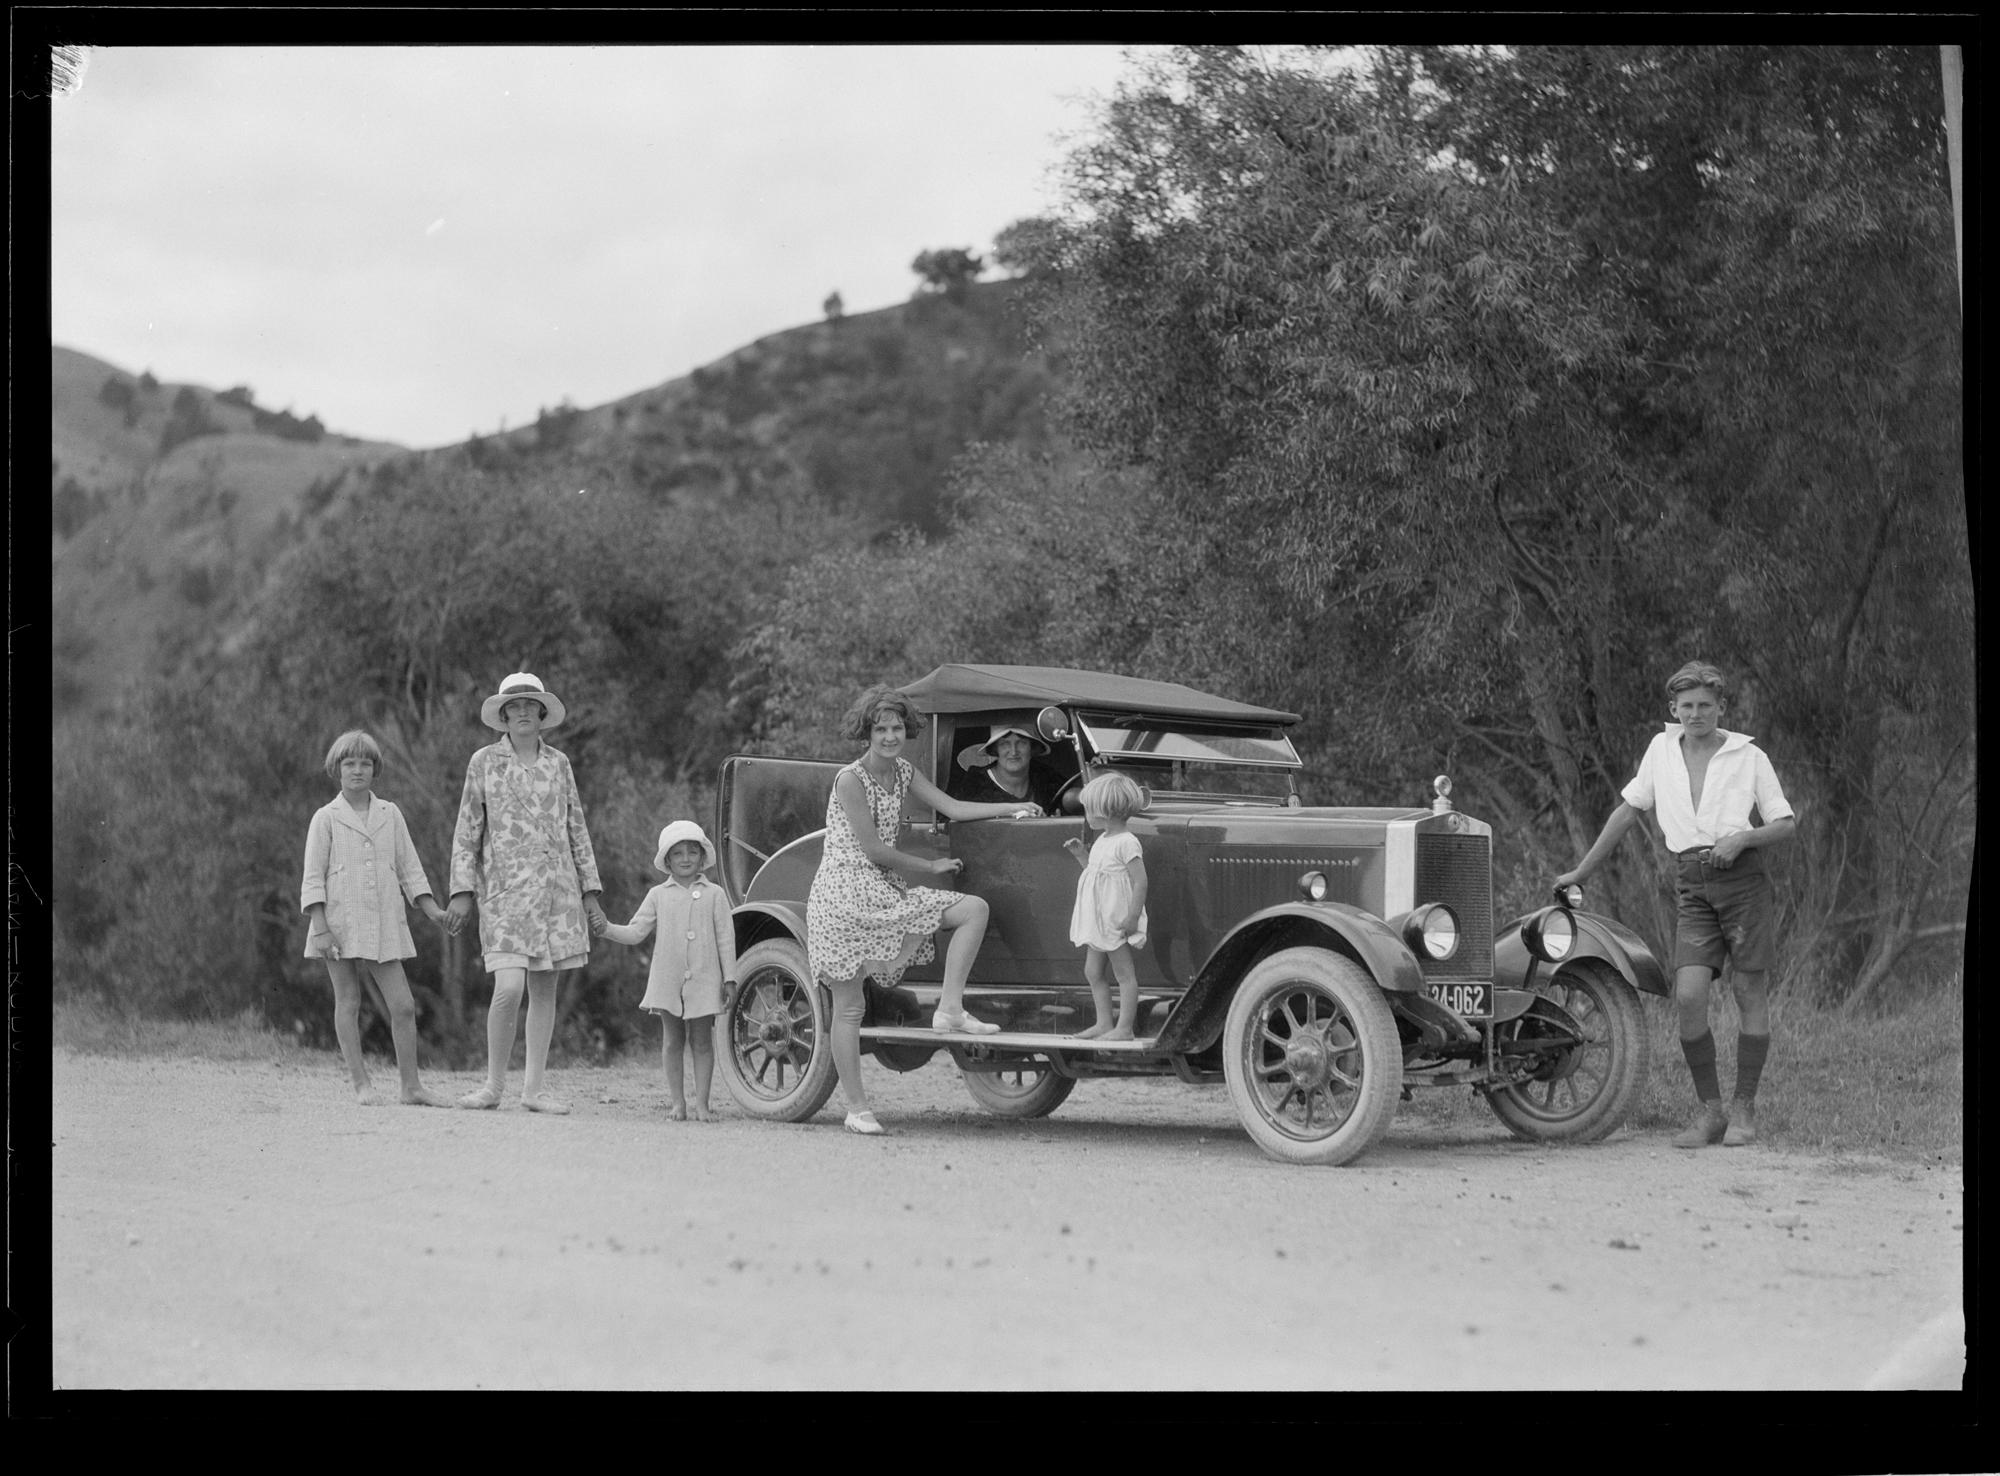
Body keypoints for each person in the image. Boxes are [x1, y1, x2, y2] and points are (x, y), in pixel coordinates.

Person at [1557, 661, 1796, 1148]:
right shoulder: (1660, 751)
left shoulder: (1748, 756)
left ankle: (1744, 1109)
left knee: (1749, 992)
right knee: (1688, 995)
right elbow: (1628, 811)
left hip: (1743, 883)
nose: (1695, 714)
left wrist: (1743, 839)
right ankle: (1711, 1112)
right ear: (1674, 710)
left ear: (1720, 707)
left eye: (1705, 705)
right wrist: (1581, 871)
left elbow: (1785, 823)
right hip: (1692, 886)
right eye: (1686, 706)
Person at [807, 684, 1036, 1135]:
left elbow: (951, 807)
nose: (890, 736)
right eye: (880, 729)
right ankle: (856, 1109)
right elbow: (872, 848)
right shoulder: (850, 779)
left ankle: (950, 1009)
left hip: (881, 889)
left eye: (896, 728)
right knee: (849, 1008)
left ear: (906, 731)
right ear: (866, 733)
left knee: (973, 910)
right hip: (842, 895)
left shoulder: (906, 771)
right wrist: (928, 864)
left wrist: (1014, 808)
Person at [447, 672, 608, 1115]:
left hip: (557, 891)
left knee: (544, 986)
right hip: (504, 890)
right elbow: (467, 831)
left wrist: (590, 891)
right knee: (509, 986)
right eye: (512, 707)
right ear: (502, 715)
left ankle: (533, 1089)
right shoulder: (484, 762)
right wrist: (462, 889)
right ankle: (493, 1085)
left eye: (529, 706)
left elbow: (576, 827)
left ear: (541, 714)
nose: (521, 713)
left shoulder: (560, 764)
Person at [300, 729, 453, 1106]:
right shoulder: (326, 818)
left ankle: (411, 1086)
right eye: (349, 764)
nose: (357, 770)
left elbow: (409, 868)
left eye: (365, 764)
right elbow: (313, 876)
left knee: (402, 1005)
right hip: (336, 923)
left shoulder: (391, 814)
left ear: (375, 769)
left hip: (383, 921)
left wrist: (432, 909)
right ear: (336, 769)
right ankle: (361, 1084)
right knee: (348, 1000)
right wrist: (320, 928)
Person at [593, 820, 736, 1122]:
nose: (686, 859)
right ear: (667, 860)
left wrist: (730, 978)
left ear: (702, 856)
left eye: (692, 852)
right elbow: (636, 931)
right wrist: (606, 929)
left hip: (705, 977)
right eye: (678, 853)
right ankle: (677, 1103)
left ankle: (703, 1105)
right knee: (672, 1039)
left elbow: (726, 939)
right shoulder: (658, 894)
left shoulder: (715, 894)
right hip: (668, 978)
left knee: (701, 1041)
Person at [1062, 771, 1151, 1040]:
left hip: (1115, 918)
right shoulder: (1103, 839)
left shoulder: (1127, 842)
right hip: (1097, 919)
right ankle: (1103, 1023)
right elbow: (1095, 873)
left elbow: (1140, 882)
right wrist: (1081, 855)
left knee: (1124, 974)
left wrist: (1133, 917)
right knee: (1092, 971)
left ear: (1105, 811)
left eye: (1088, 808)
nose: (1085, 813)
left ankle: (1124, 1027)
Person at [947, 722, 1070, 814]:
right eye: (1004, 744)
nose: (1013, 751)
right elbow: (954, 825)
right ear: (996, 749)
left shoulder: (1047, 777)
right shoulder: (975, 783)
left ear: (1032, 748)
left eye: (1021, 743)